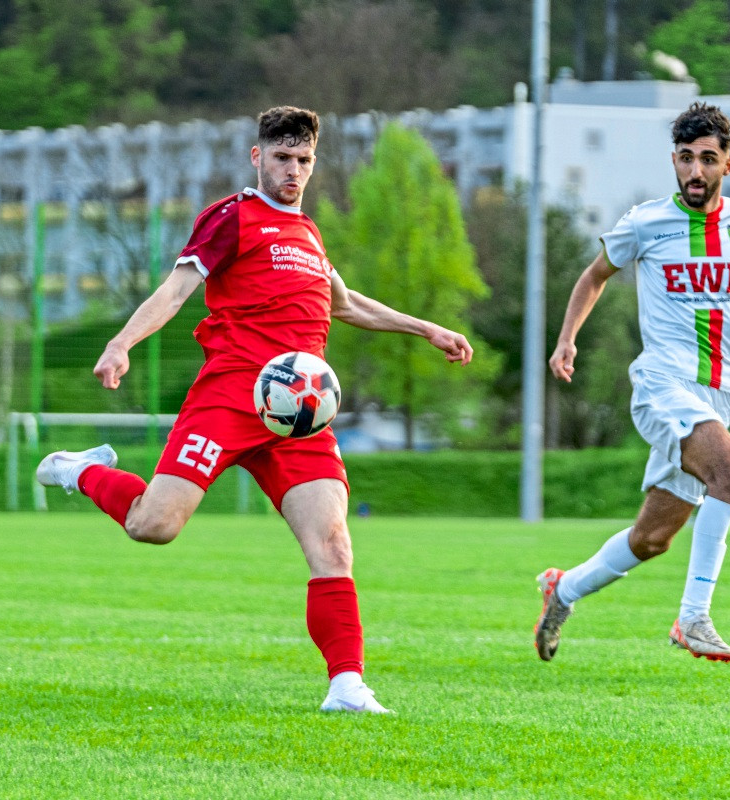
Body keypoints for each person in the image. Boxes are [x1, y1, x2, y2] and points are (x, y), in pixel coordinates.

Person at [35, 106, 473, 712]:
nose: (293, 171)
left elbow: (346, 305)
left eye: (303, 161)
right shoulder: (232, 218)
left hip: (300, 415)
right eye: (282, 159)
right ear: (257, 157)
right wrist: (120, 343)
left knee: (333, 545)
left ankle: (346, 684)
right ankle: (79, 470)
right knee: (153, 526)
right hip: (230, 396)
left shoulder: (310, 234)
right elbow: (176, 290)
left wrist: (426, 329)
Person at [534, 102, 730, 663]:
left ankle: (562, 590)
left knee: (652, 538)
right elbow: (594, 277)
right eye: (686, 159)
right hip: (661, 383)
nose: (695, 171)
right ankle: (693, 617)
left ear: (727, 166)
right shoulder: (645, 221)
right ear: (674, 160)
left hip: (718, 393)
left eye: (707, 160)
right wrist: (567, 338)